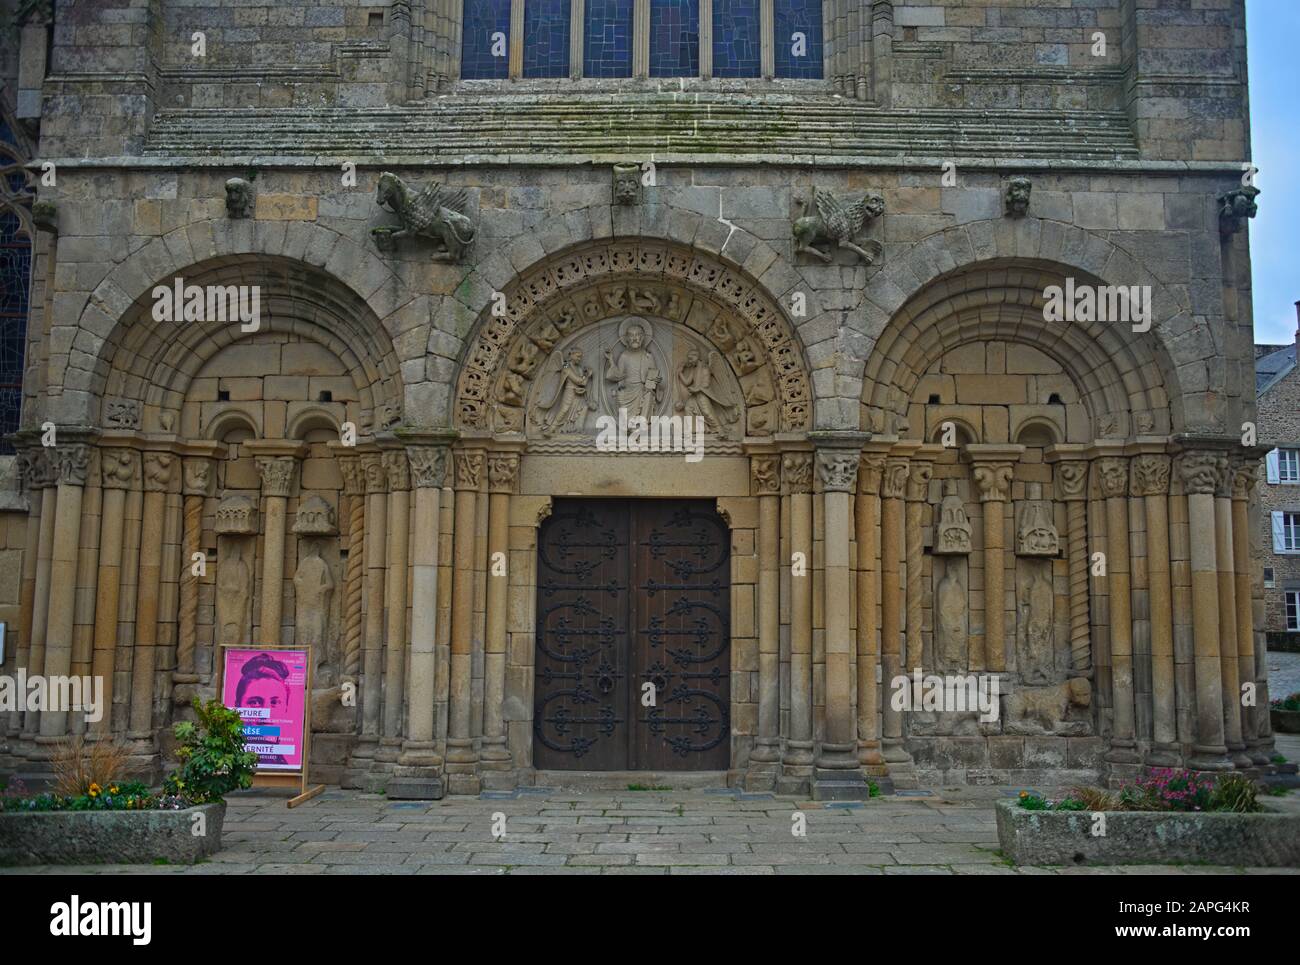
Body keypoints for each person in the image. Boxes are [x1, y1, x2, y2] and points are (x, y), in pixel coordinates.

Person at [235, 652, 293, 766]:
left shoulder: (284, 764)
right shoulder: (232, 761)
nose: (266, 713)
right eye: (255, 702)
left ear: (285, 708)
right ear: (238, 706)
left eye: (274, 702)